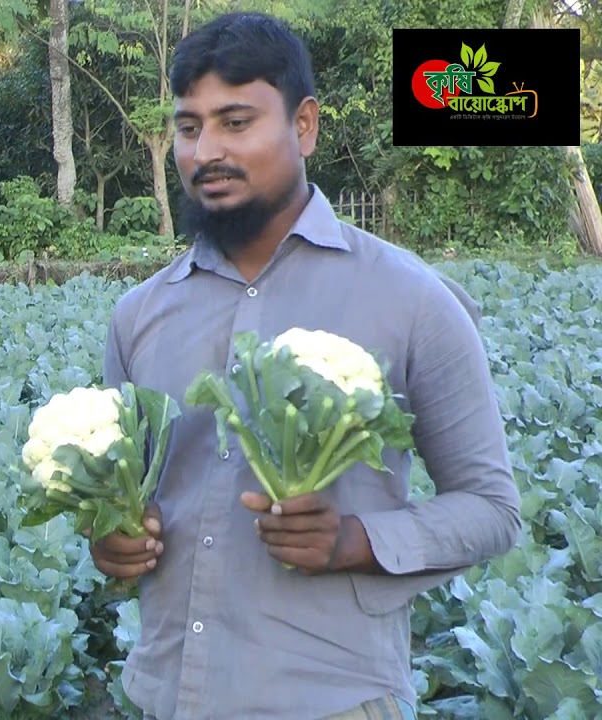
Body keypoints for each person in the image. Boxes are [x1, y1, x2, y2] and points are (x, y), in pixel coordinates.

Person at [89, 12, 521, 720]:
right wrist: (112, 538)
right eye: (189, 128)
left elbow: (491, 509)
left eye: (236, 122)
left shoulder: (410, 299)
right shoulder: (139, 315)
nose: (206, 151)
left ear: (305, 126)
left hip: (335, 701)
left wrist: (356, 541)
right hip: (164, 695)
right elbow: (125, 497)